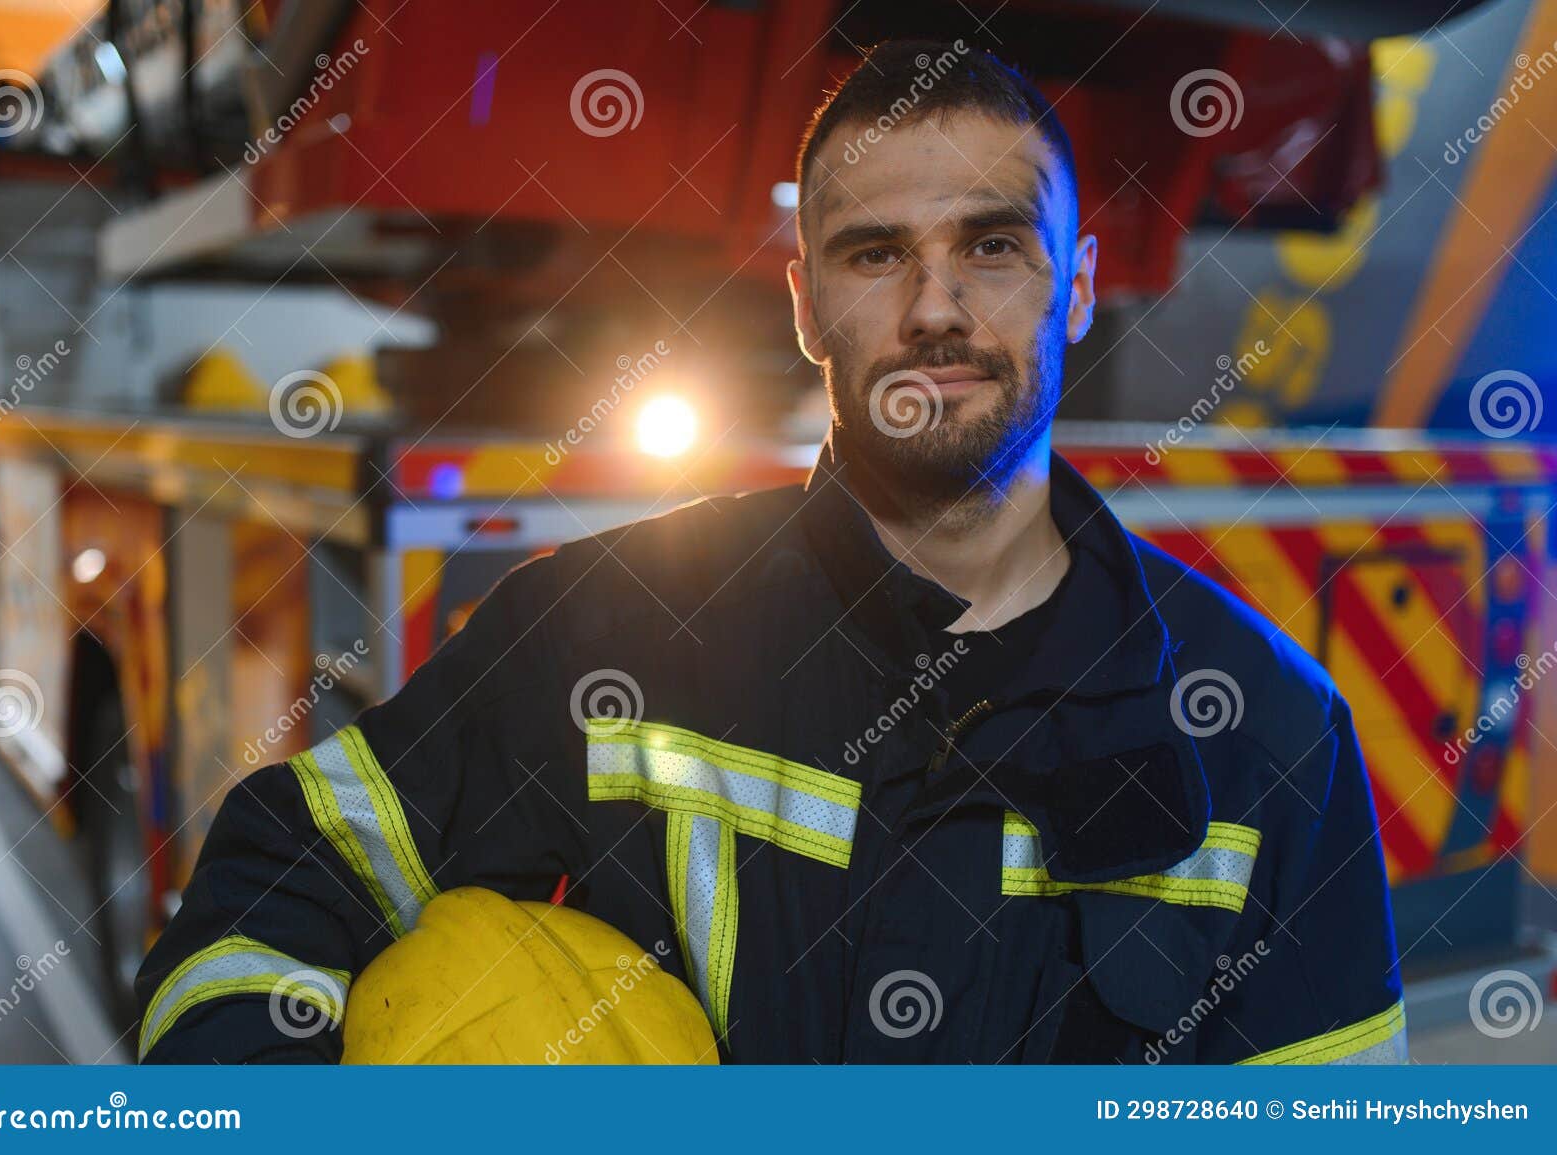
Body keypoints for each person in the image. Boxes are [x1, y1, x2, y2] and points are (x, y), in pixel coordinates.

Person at [136, 39, 1404, 1064]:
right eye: (874, 255)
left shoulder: (1264, 739)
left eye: (992, 246)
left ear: (1073, 287)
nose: (935, 308)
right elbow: (278, 878)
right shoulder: (604, 627)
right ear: (805, 307)